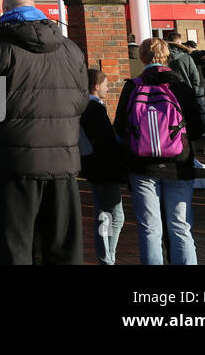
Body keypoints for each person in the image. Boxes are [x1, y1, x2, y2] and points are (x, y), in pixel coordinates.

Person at [0, 0, 87, 265]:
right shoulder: (70, 49)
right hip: (63, 162)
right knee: (63, 247)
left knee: (13, 247)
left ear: (5, 9)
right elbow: (81, 101)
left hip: (13, 163)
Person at [112, 36, 205, 265]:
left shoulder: (133, 86)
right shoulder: (180, 86)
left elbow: (120, 127)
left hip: (142, 165)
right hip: (179, 163)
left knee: (150, 228)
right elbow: (197, 128)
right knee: (181, 226)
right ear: (167, 56)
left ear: (142, 57)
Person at [80, 69, 127, 265]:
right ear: (96, 86)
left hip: (93, 168)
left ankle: (106, 257)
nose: (108, 89)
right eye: (106, 85)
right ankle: (108, 258)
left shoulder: (83, 107)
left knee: (103, 215)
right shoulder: (95, 108)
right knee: (115, 217)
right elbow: (106, 140)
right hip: (105, 168)